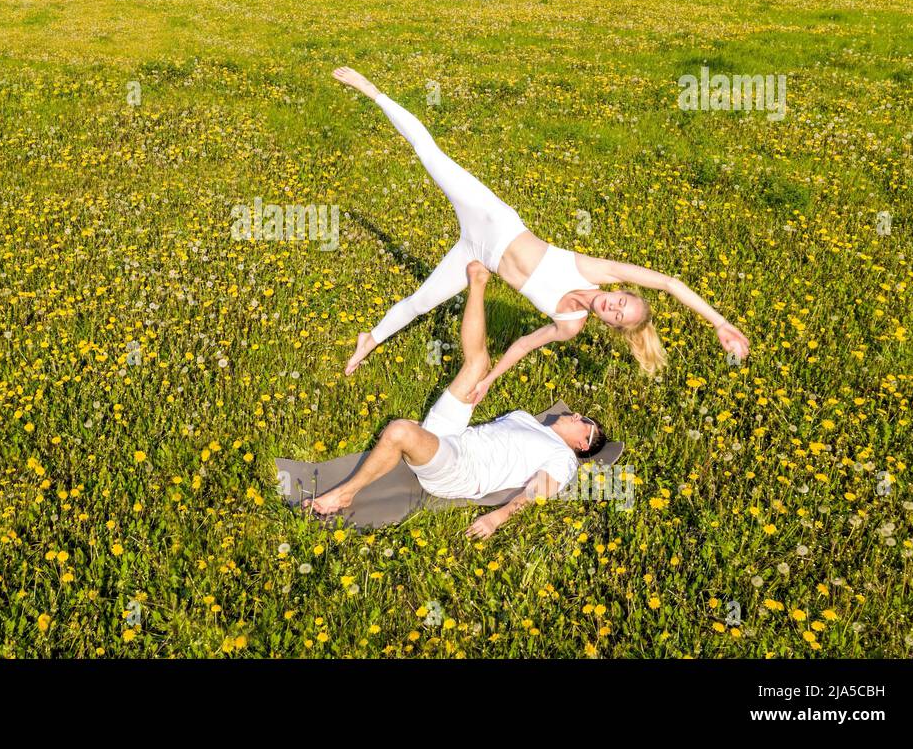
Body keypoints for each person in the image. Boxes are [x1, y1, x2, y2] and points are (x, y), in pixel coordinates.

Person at [334, 66, 750, 403]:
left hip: (475, 254)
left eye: (616, 314)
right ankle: (372, 90)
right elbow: (669, 282)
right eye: (622, 300)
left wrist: (488, 381)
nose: (613, 305)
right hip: (491, 218)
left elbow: (521, 347)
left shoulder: (570, 323)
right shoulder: (593, 272)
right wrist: (719, 323)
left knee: (421, 302)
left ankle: (368, 339)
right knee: (430, 154)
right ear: (621, 292)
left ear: (609, 324)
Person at [307, 260, 605, 540]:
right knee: (477, 365)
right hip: (454, 438)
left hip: (461, 470)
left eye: (586, 424)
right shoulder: (527, 418)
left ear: (582, 445)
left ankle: (345, 493)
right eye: (583, 415)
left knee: (398, 430)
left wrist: (498, 517)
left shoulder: (563, 458)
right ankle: (478, 281)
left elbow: (537, 492)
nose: (579, 416)